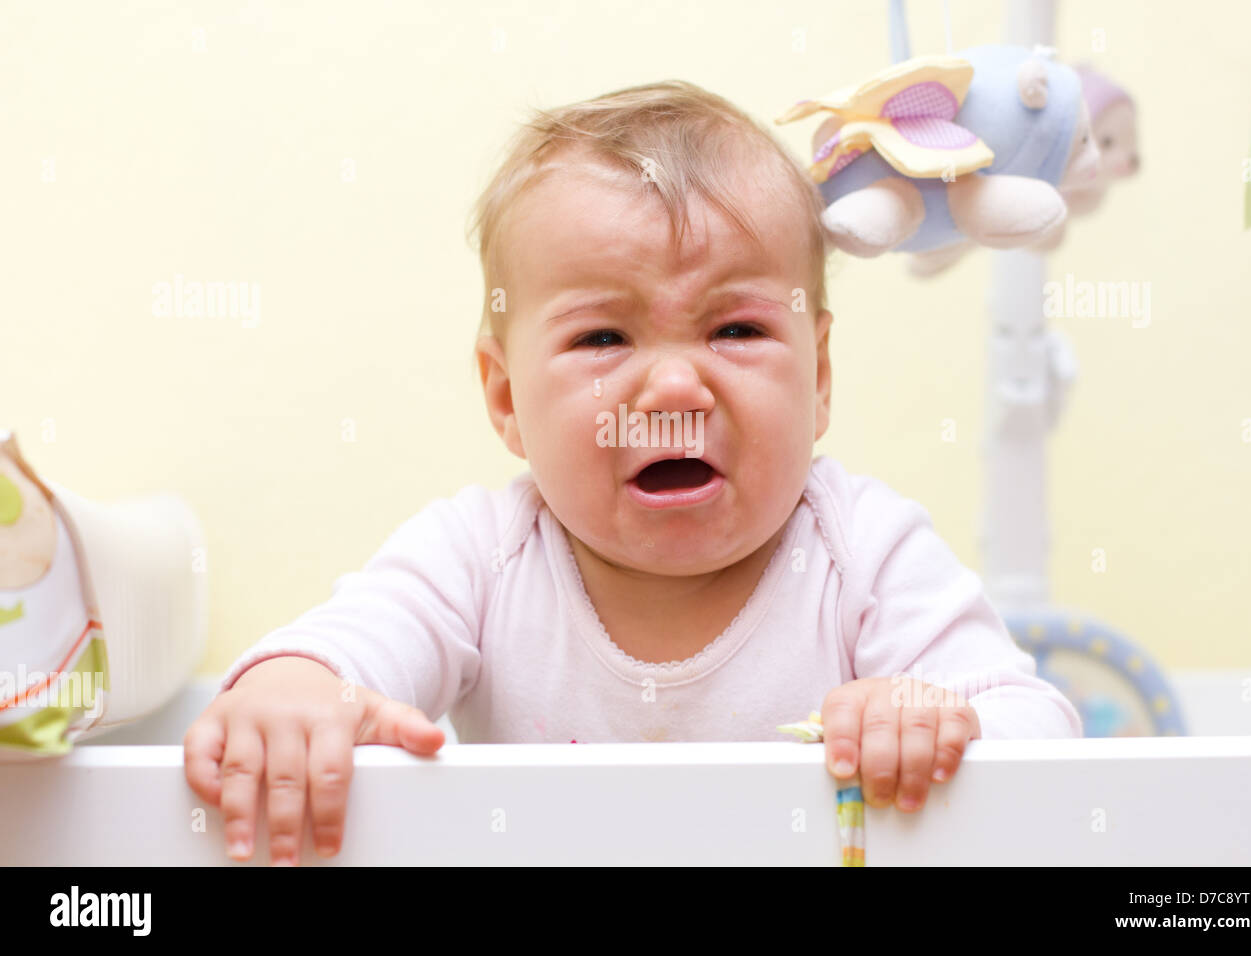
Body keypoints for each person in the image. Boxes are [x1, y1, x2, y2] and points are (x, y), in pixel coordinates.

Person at [184, 79, 1081, 866]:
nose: (677, 383)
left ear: (817, 376)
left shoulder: (866, 553)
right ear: (504, 397)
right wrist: (295, 687)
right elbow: (361, 642)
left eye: (736, 329)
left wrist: (930, 719)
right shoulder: (481, 557)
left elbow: (1037, 733)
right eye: (604, 338)